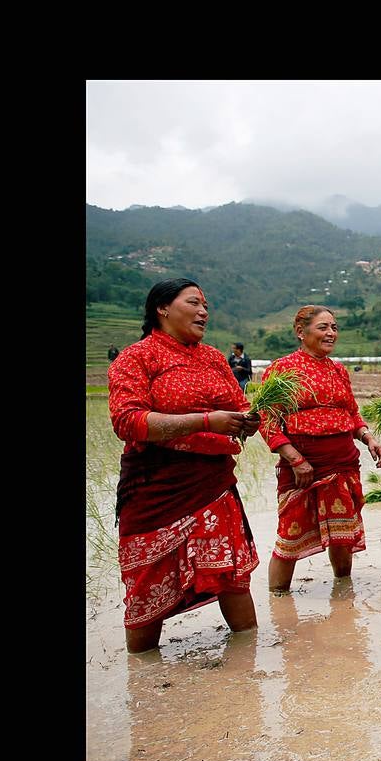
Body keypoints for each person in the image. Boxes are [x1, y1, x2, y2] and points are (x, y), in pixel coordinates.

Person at [108, 278, 261, 653]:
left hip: (212, 486)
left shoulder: (212, 358)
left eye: (206, 305)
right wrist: (206, 421)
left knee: (231, 577)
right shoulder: (136, 357)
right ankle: (144, 682)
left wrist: (248, 421)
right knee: (145, 593)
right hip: (156, 487)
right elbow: (127, 422)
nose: (203, 311)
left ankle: (248, 667)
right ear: (162, 308)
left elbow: (238, 409)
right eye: (194, 302)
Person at [259, 306, 381, 591]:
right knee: (289, 536)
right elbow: (266, 420)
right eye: (323, 327)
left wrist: (368, 438)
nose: (331, 333)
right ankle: (278, 600)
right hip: (303, 466)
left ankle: (344, 594)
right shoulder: (283, 369)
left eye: (334, 327)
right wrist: (294, 458)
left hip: (343, 463)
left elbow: (352, 413)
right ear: (300, 332)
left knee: (343, 535)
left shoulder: (338, 370)